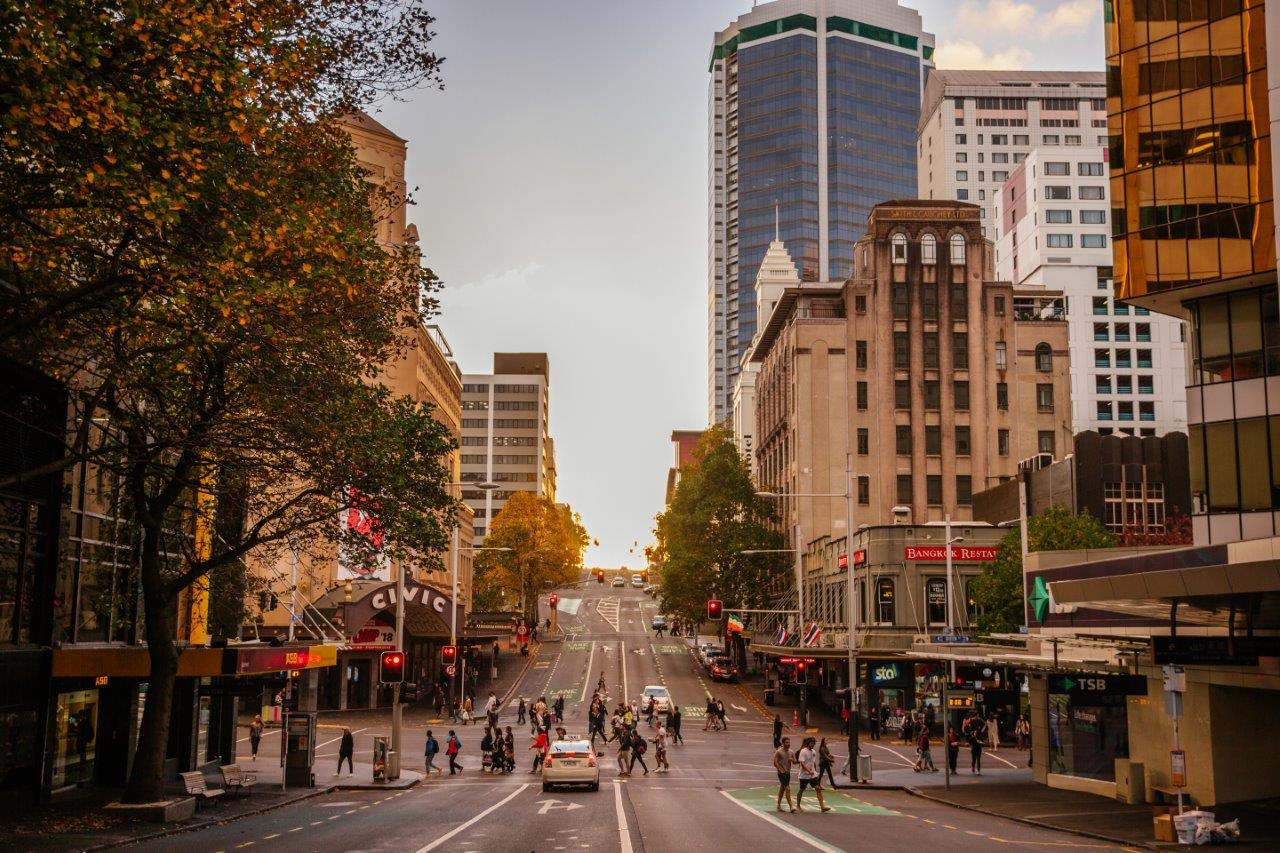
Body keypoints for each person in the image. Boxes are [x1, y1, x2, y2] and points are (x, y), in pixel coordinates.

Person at [795, 737, 832, 813]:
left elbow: (812, 763)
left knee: (818, 788)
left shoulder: (814, 752)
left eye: (813, 743)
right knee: (801, 790)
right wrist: (808, 771)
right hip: (804, 775)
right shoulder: (803, 751)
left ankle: (822, 806)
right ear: (808, 743)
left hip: (812, 775)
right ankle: (798, 806)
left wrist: (814, 771)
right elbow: (802, 763)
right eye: (811, 743)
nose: (813, 744)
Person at [773, 736, 796, 813]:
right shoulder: (779, 751)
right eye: (786, 742)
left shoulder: (791, 752)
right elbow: (775, 762)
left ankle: (778, 805)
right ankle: (791, 806)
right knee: (787, 788)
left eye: (789, 742)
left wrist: (792, 760)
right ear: (783, 743)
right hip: (781, 773)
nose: (788, 744)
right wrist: (780, 769)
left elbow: (795, 762)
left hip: (788, 773)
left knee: (782, 789)